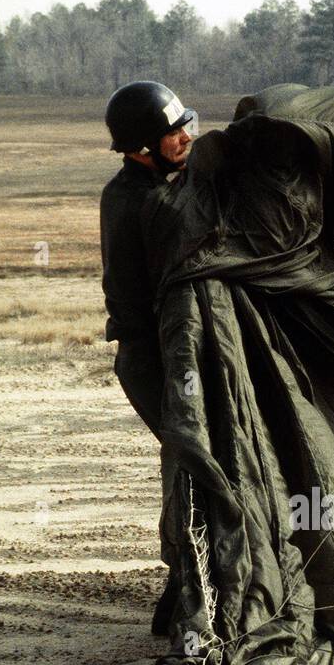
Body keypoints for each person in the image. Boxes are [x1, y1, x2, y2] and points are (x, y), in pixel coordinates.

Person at [100, 80, 197, 634]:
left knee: (197, 461)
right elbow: (132, 302)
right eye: (173, 132)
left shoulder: (163, 183)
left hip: (172, 351)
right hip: (152, 358)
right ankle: (185, 579)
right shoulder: (134, 200)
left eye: (187, 126)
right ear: (142, 147)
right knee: (191, 461)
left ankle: (185, 580)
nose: (185, 137)